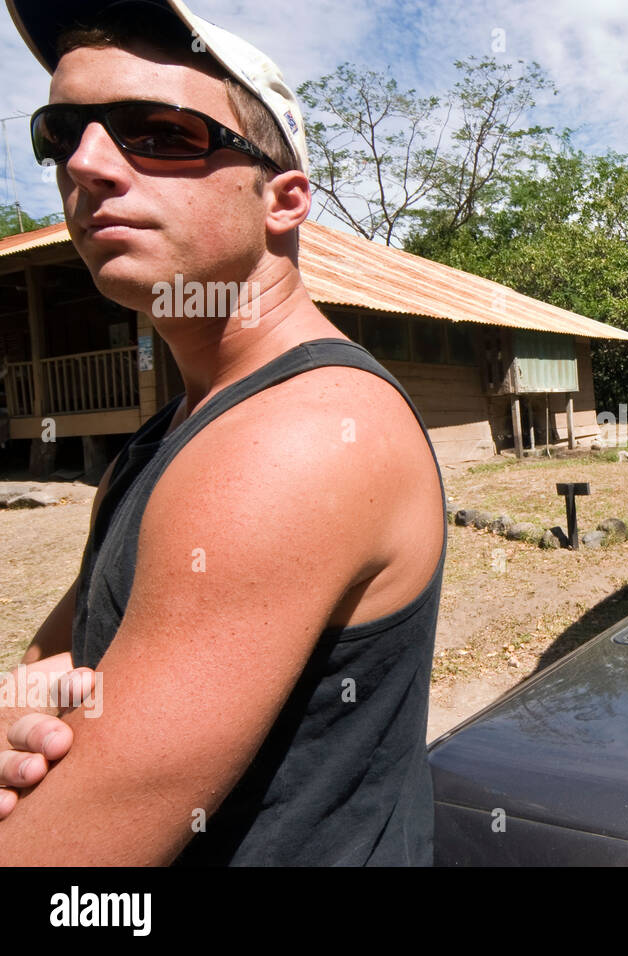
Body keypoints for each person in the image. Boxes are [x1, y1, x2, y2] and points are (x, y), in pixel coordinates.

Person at [0, 0, 446, 864]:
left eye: (160, 134)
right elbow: (45, 664)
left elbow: (63, 863)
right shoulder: (169, 433)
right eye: (63, 132)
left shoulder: (299, 437)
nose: (87, 165)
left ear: (283, 201)